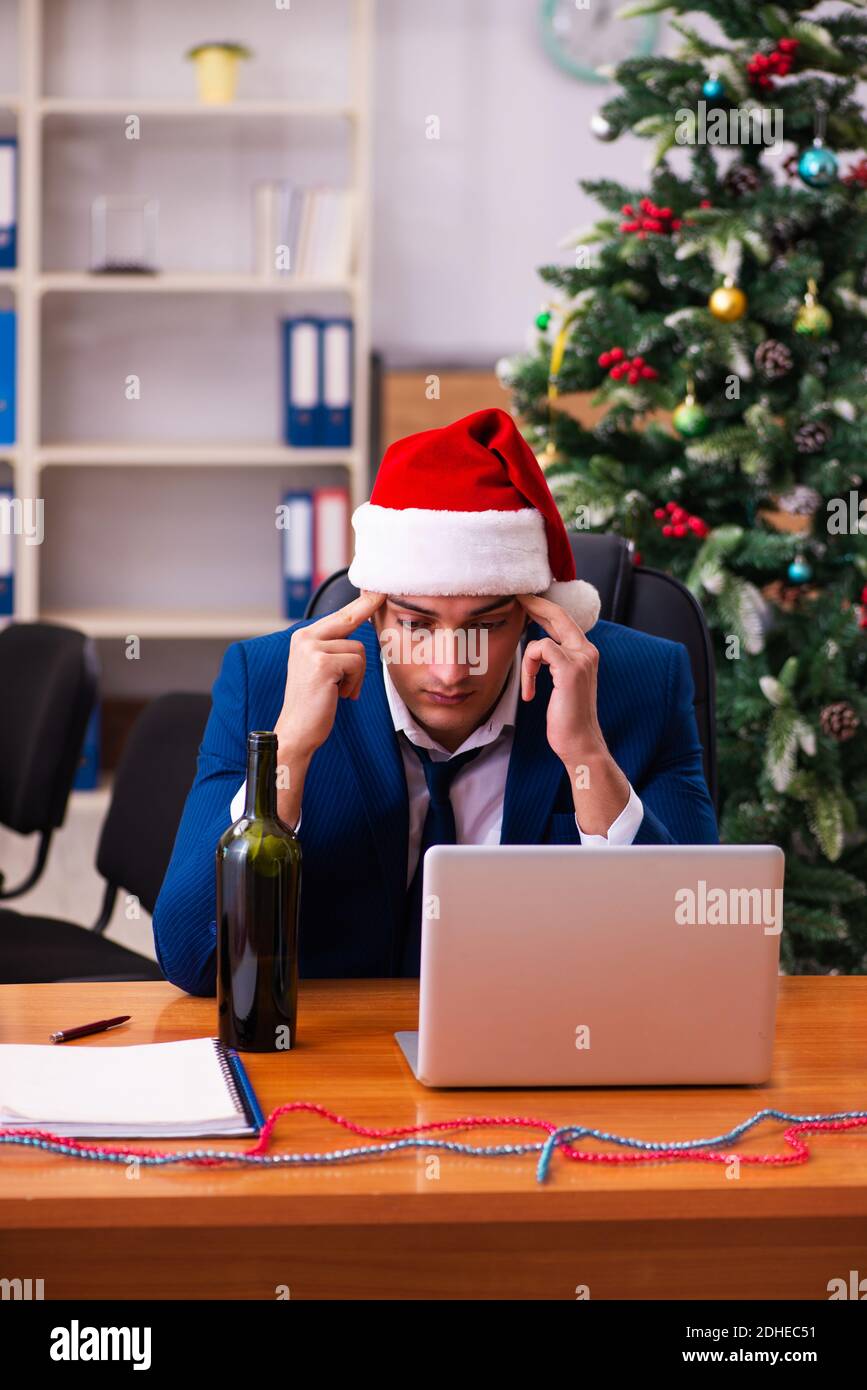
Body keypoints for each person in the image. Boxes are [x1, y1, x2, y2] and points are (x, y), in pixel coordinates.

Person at [153, 407, 718, 994]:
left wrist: (587, 759)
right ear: (371, 609)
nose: (450, 671)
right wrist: (289, 752)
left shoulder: (643, 684)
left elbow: (694, 959)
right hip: (339, 1055)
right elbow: (194, 959)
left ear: (535, 614)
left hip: (549, 1039)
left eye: (489, 625)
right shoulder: (266, 682)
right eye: (416, 625)